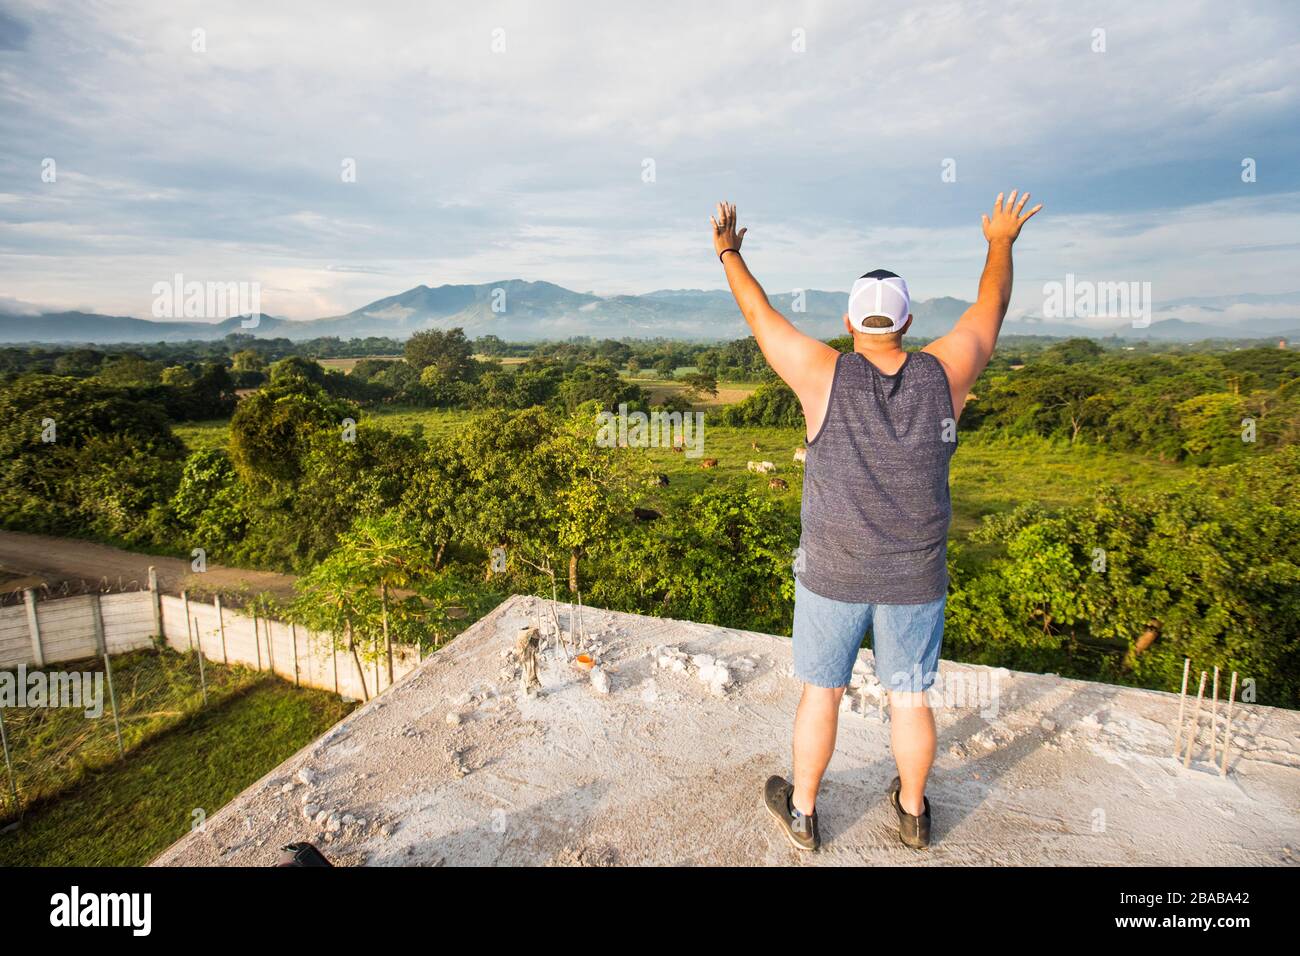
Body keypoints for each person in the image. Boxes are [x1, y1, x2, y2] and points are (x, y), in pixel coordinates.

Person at [710, 192, 1042, 850]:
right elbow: (990, 308)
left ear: (849, 321)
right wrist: (1000, 242)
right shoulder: (945, 373)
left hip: (831, 570)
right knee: (910, 698)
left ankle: (803, 813)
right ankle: (913, 812)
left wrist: (728, 250)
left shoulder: (820, 373)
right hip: (915, 575)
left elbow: (758, 313)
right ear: (909, 320)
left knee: (821, 694)